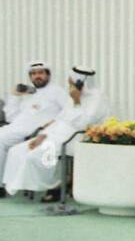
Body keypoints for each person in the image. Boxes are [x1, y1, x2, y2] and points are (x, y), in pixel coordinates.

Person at [2, 67, 108, 201]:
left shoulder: (96, 99)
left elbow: (83, 123)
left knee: (34, 156)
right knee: (16, 151)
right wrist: (43, 135)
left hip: (74, 137)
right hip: (54, 133)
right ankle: (13, 186)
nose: (70, 86)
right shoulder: (72, 96)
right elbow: (60, 119)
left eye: (72, 83)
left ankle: (55, 186)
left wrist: (76, 101)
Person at [0, 61, 70, 189]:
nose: (37, 76)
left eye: (40, 73)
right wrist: (15, 96)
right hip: (14, 128)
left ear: (48, 75)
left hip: (34, 132)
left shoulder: (56, 91)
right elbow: (11, 117)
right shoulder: (29, 92)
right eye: (33, 74)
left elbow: (68, 111)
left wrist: (52, 124)